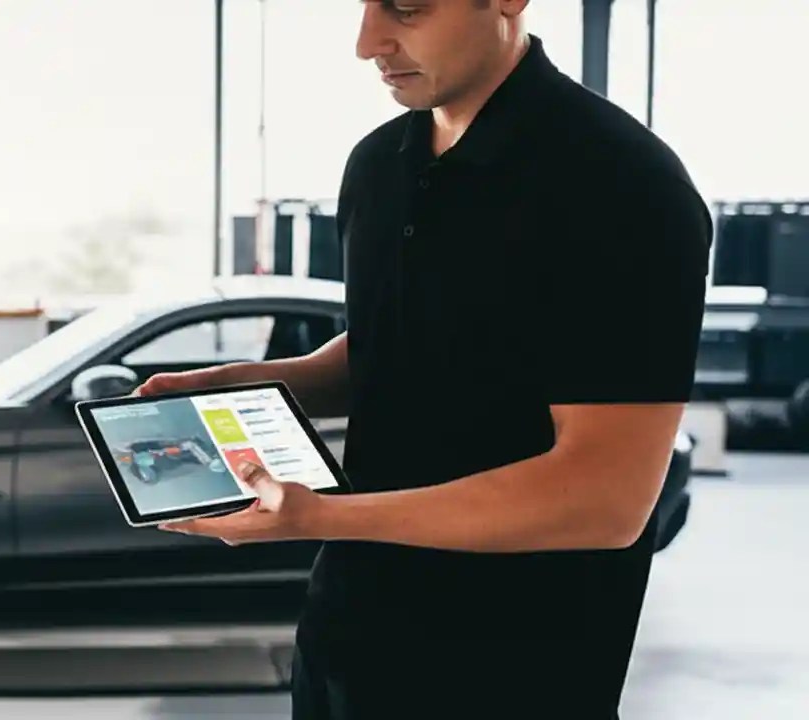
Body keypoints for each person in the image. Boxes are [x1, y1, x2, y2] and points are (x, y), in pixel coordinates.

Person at [133, 1, 711, 717]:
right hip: (346, 640)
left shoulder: (620, 183)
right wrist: (244, 384)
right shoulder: (378, 165)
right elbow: (400, 345)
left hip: (514, 670)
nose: (367, 42)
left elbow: (604, 498)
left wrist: (319, 517)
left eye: (406, 8)